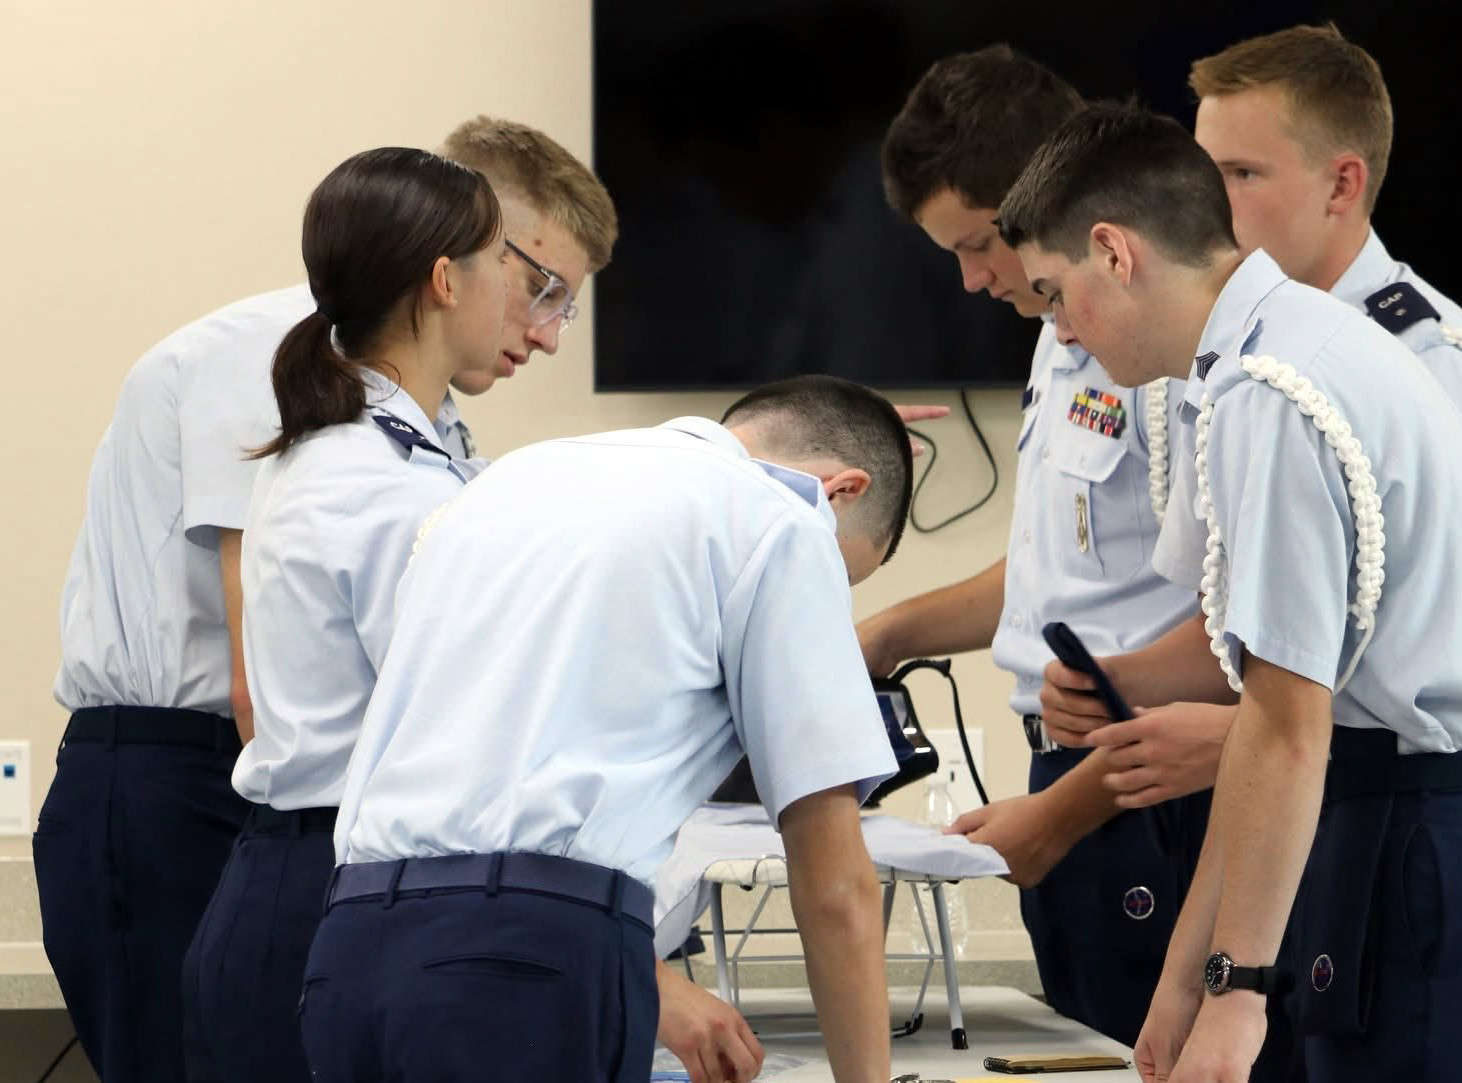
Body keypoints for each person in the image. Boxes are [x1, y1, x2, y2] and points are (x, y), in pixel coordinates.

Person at [999, 101, 1462, 1082]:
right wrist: (1188, 983)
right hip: (1381, 821)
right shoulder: (1267, 355)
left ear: (1113, 252)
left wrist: (1232, 993)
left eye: (1053, 296)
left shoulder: (1272, 386)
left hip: (1421, 825)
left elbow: (1285, 724)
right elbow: (1268, 719)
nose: (1063, 335)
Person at [34, 112, 604, 1083]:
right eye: (538, 286)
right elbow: (266, 692)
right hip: (187, 788)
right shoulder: (275, 358)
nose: (547, 333)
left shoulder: (420, 418)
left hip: (284, 800)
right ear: (453, 249)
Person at [301, 375, 911, 1083]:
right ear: (842, 492)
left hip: (351, 941)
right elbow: (834, 878)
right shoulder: (780, 516)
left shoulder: (507, 481)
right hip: (530, 958)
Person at [862, 45, 1200, 1045]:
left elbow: (1239, 625)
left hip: (1142, 786)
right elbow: (1056, 574)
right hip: (1067, 775)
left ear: (1043, 197)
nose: (970, 282)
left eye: (979, 245)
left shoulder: (1156, 349)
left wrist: (1062, 816)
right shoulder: (1062, 339)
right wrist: (882, 637)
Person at [179, 145, 513, 1083]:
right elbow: (454, 734)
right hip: (328, 892)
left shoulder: (392, 450)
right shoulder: (377, 482)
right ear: (447, 280)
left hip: (324, 882)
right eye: (503, 260)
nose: (516, 291)